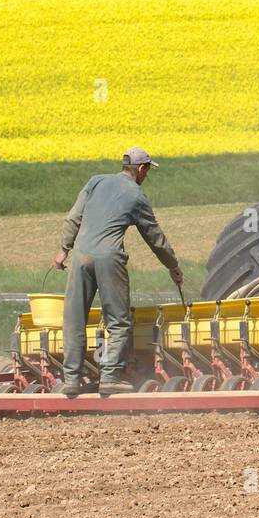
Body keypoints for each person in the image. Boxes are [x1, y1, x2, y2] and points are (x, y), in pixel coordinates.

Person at [52, 147, 183, 396]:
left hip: (80, 256)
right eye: (147, 170)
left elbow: (73, 218)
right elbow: (155, 238)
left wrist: (63, 250)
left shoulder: (96, 181)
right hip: (109, 259)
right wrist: (173, 266)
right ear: (142, 169)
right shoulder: (137, 196)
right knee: (118, 320)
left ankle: (71, 380)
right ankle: (110, 376)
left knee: (74, 317)